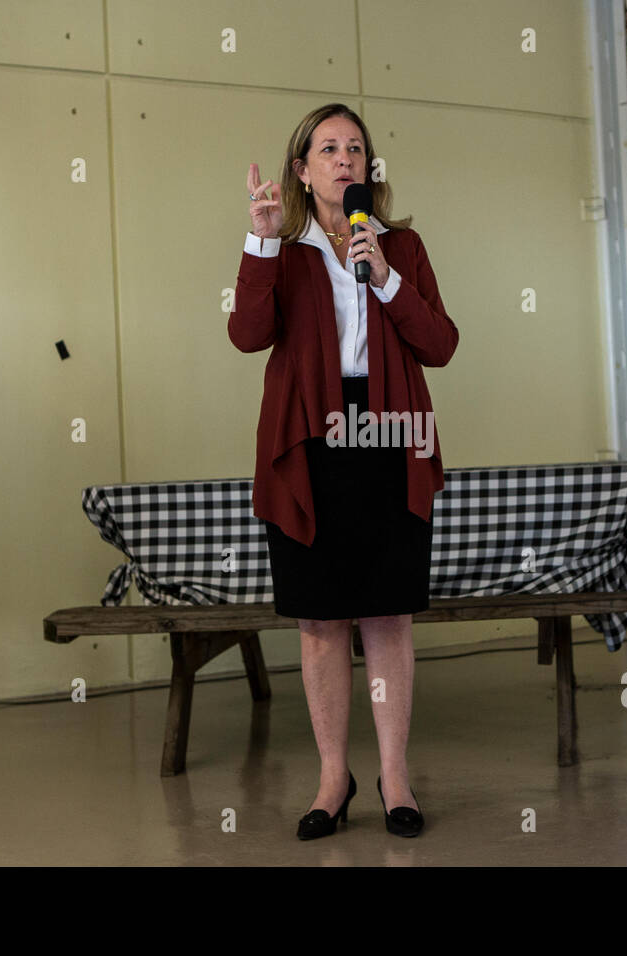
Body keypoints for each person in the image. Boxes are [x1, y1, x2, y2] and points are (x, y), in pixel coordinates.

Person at [229, 103, 458, 839]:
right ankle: (335, 777)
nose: (344, 159)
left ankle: (395, 777)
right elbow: (247, 334)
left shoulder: (403, 245)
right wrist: (259, 245)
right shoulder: (284, 250)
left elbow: (441, 344)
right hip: (310, 440)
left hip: (388, 433)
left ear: (368, 166)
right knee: (322, 618)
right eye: (327, 148)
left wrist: (386, 277)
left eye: (355, 148)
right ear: (302, 169)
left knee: (388, 615)